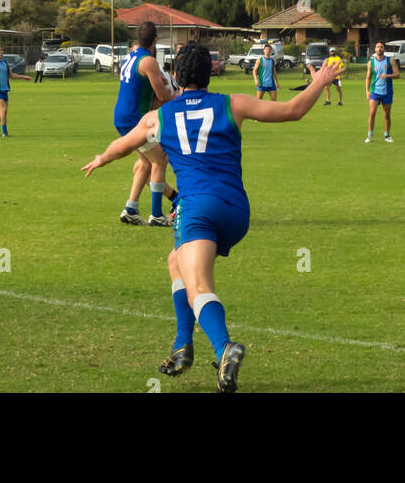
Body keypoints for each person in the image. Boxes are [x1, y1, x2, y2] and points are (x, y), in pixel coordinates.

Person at [83, 42, 340, 393]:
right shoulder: (233, 103)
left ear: (176, 76)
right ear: (209, 75)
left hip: (197, 211)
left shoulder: (158, 117)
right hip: (236, 211)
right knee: (176, 261)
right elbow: (293, 110)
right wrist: (320, 81)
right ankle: (182, 346)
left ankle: (224, 349)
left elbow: (123, 145)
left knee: (199, 286)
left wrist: (101, 158)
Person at [113, 25, 177, 227]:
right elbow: (162, 96)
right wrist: (178, 98)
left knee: (145, 163)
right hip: (135, 119)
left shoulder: (130, 57)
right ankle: (157, 215)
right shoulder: (148, 61)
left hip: (123, 116)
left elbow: (140, 88)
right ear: (155, 40)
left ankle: (131, 209)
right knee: (160, 160)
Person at [0, 43, 32, 136]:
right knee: (3, 109)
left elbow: (11, 75)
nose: (0, 52)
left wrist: (24, 77)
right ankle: (5, 133)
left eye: (1, 50)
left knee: (4, 111)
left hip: (5, 90)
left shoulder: (5, 63)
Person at [365, 41, 399, 143]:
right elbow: (368, 78)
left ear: (384, 49)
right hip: (375, 91)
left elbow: (398, 75)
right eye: (377, 47)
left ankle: (387, 135)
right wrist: (367, 91)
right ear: (375, 49)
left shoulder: (390, 61)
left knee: (386, 115)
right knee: (372, 113)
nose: (379, 48)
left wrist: (387, 76)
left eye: (381, 47)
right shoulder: (371, 63)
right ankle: (370, 136)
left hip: (387, 92)